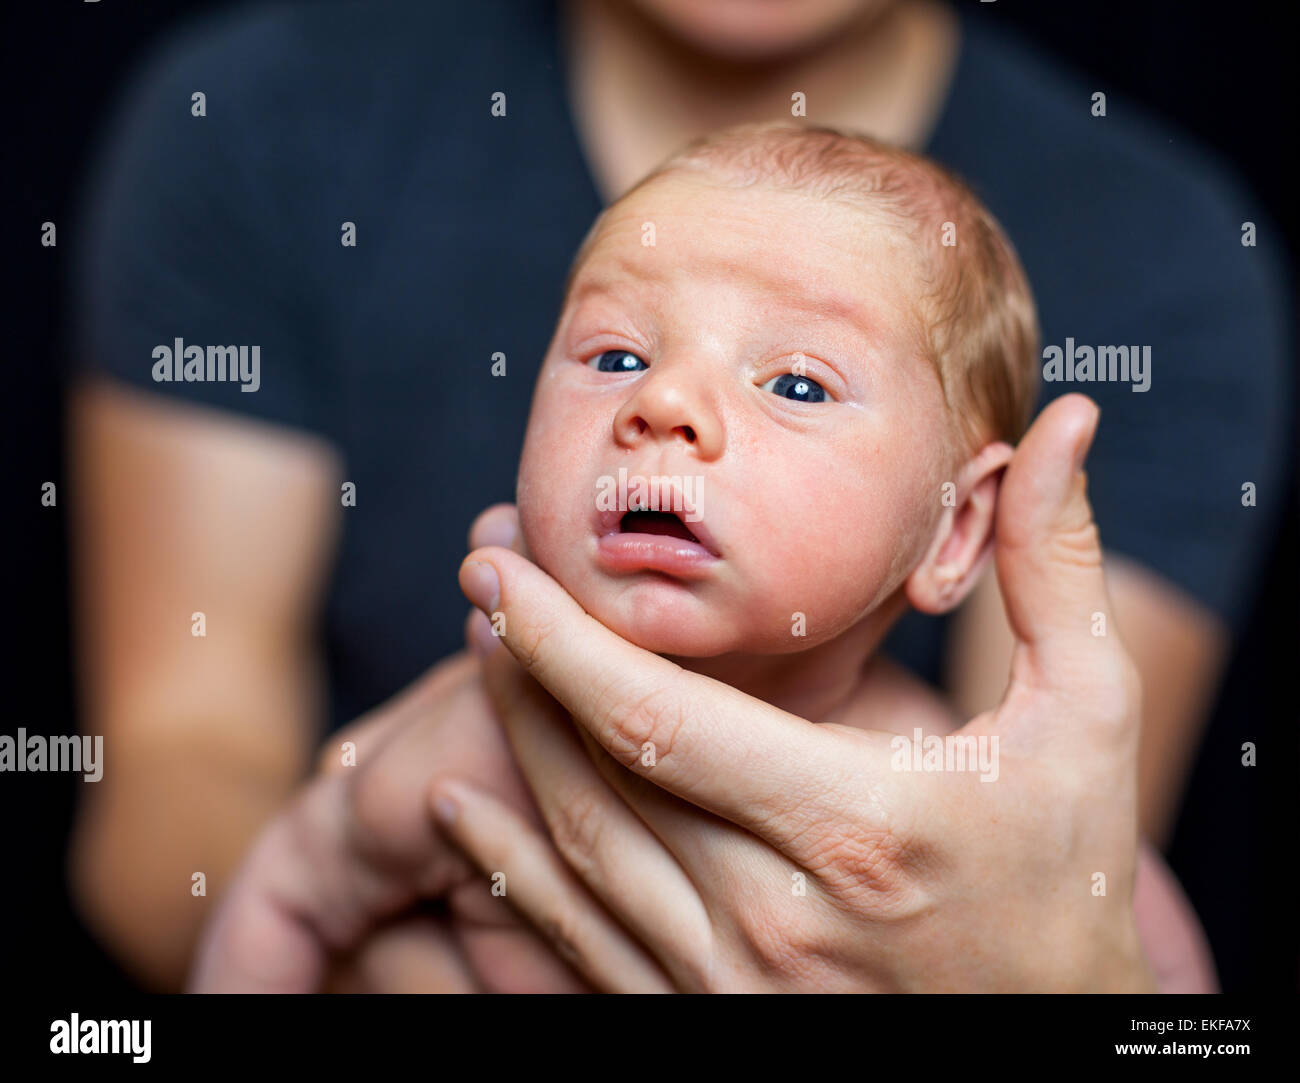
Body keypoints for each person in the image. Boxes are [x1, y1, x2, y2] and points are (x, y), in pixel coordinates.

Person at [70, 0, 1286, 990]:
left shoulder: (976, 807)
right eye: (612, 358)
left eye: (797, 384)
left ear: (956, 529)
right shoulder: (449, 757)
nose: (663, 408)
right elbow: (269, 893)